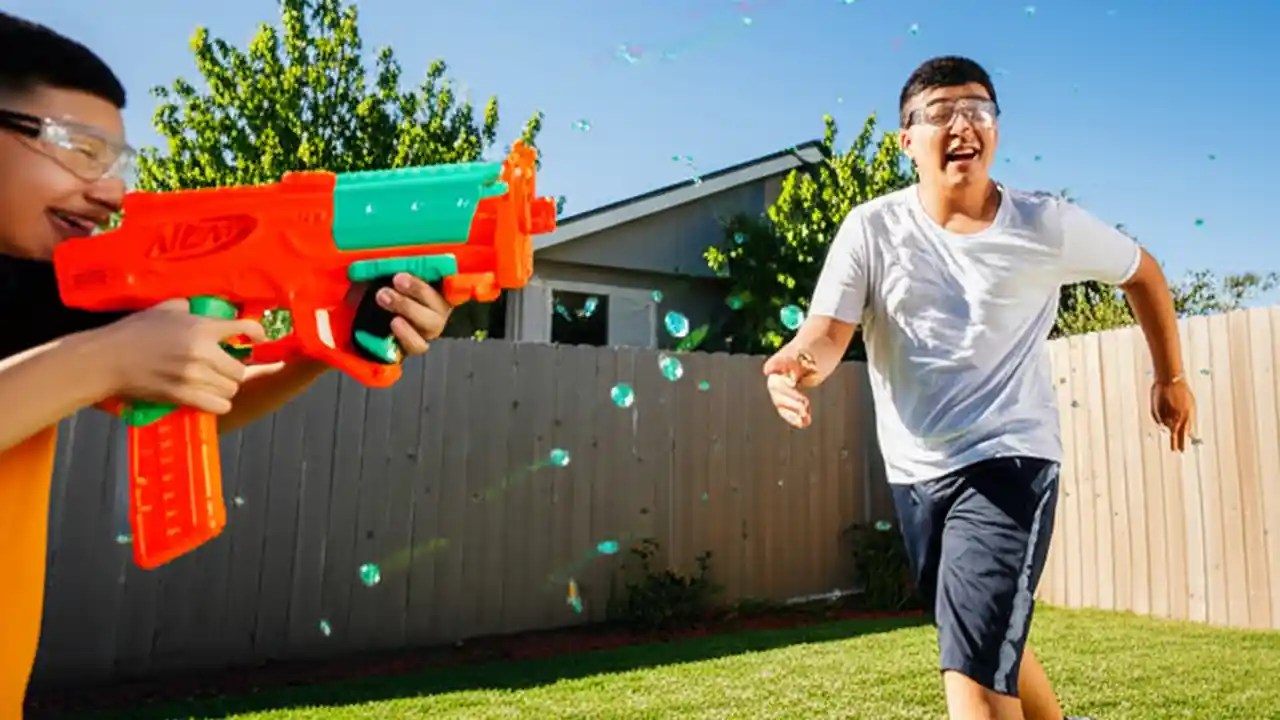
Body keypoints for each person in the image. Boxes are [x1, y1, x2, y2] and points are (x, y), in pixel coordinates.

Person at [0, 12, 453, 716]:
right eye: (79, 150)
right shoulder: (69, 329)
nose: (113, 192)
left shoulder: (36, 293)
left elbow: (191, 395)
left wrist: (320, 341)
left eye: (117, 164)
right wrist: (106, 357)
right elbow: (103, 364)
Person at [763, 55, 1195, 720]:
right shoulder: (872, 229)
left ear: (996, 131)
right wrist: (794, 365)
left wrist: (1170, 377)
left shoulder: (1046, 225)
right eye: (939, 114)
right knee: (995, 650)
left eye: (978, 110)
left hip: (1010, 464)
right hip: (916, 476)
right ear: (906, 141)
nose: (962, 123)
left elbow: (1144, 274)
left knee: (971, 672)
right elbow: (826, 336)